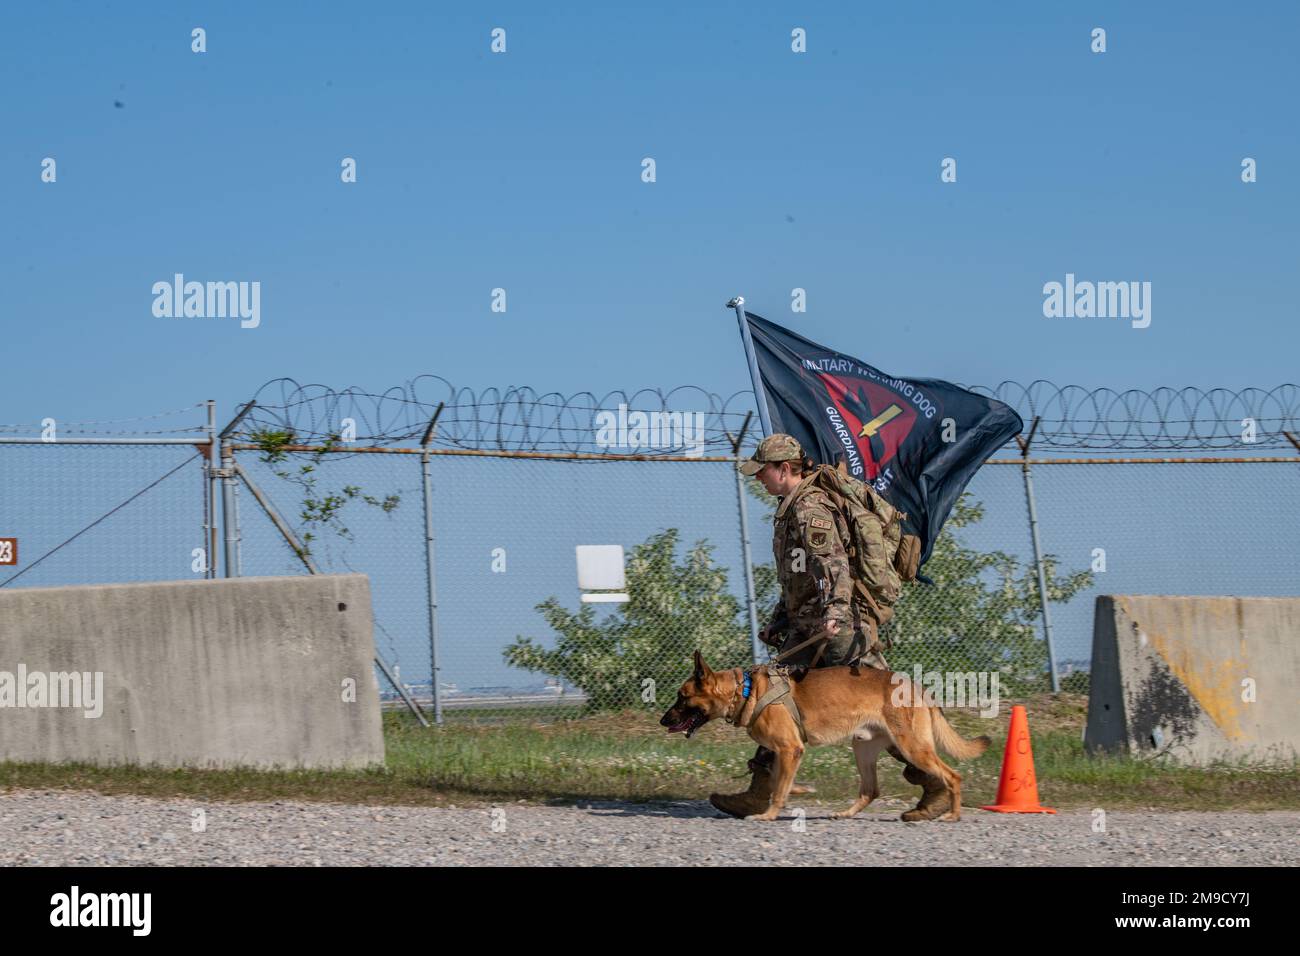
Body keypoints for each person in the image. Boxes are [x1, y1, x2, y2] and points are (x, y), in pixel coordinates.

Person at [708, 433, 950, 821]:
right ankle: (762, 791)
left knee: (881, 712)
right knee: (774, 701)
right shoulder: (789, 509)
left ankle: (936, 785)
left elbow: (832, 563)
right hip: (809, 625)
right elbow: (798, 577)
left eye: (763, 472)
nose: (758, 480)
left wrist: (836, 611)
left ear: (784, 469)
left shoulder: (810, 509)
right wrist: (779, 621)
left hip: (840, 628)